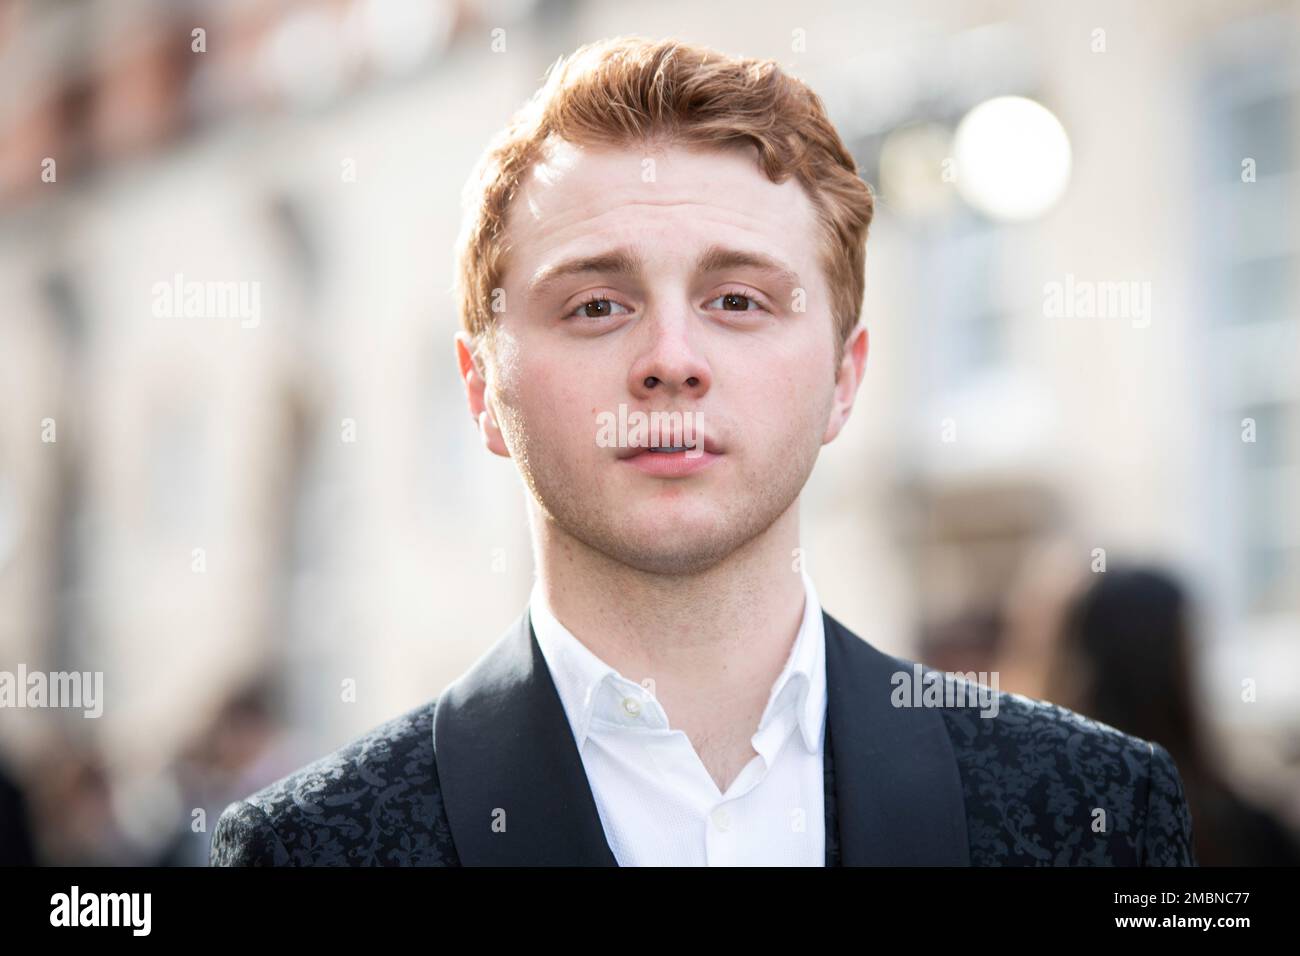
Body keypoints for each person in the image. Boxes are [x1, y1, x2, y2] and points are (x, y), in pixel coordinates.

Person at [211, 35, 1195, 866]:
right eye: (597, 304)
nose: (670, 361)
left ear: (844, 379)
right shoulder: (305, 848)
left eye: (738, 300)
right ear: (480, 391)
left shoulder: (1100, 807)